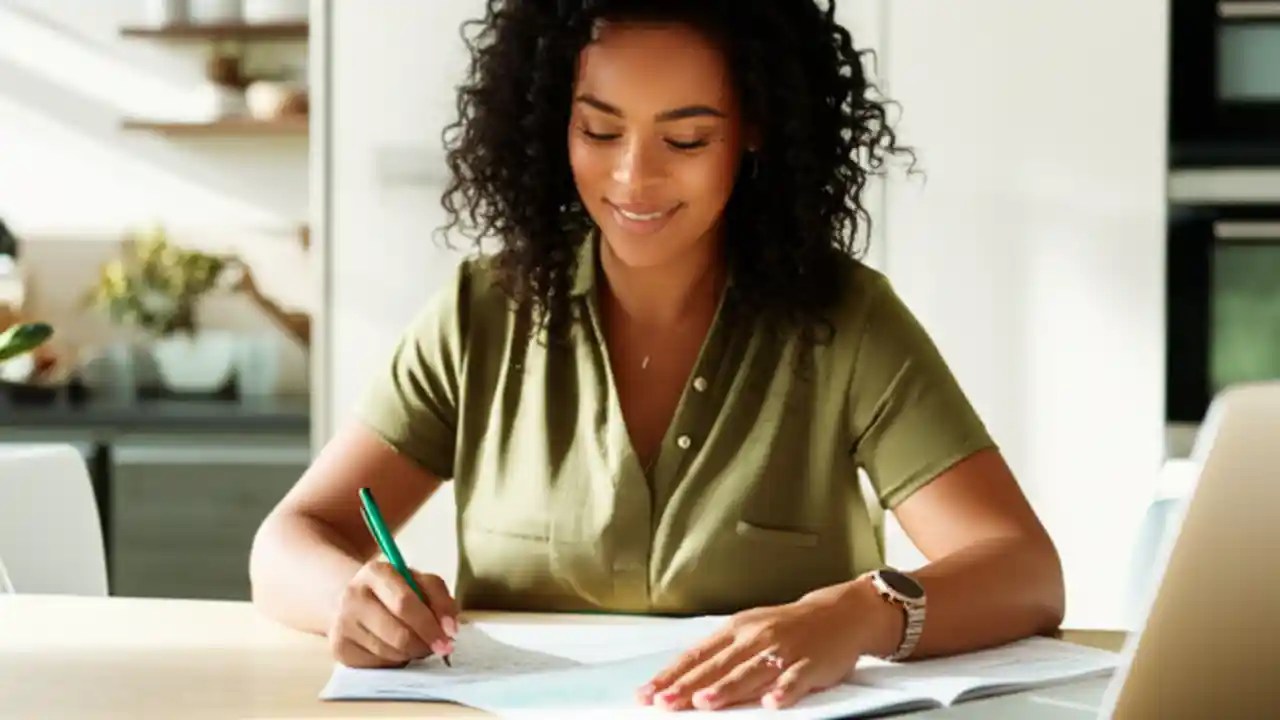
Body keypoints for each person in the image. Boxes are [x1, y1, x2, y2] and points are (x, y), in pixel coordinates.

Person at [250, 0, 1065, 711]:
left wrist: (859, 614)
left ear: (753, 128)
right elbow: (292, 539)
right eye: (600, 130)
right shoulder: (483, 312)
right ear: (551, 120)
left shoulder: (846, 322)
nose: (633, 178)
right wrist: (349, 600)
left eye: (685, 138)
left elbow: (1025, 573)